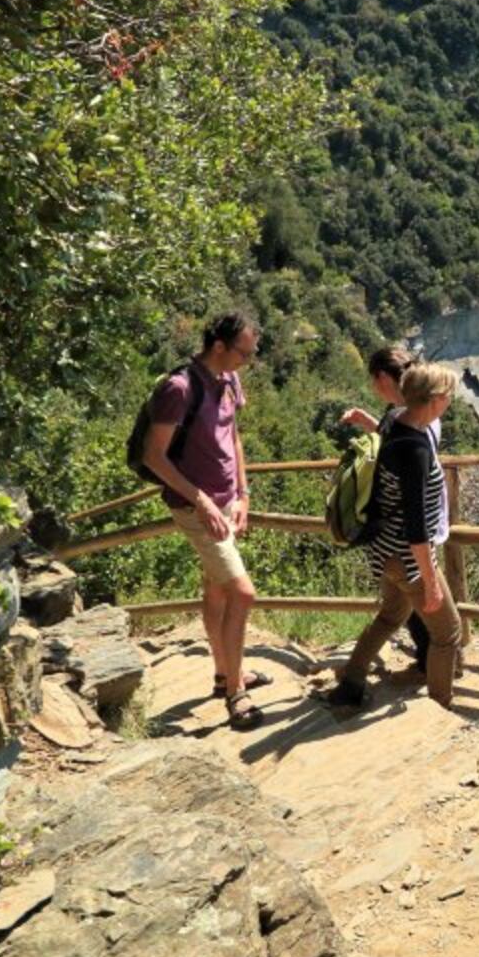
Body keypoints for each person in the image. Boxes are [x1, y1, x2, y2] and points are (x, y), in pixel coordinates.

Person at [141, 312, 268, 730]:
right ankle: (236, 693)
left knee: (216, 589)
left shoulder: (229, 380)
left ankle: (223, 674)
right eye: (243, 352)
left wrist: (243, 495)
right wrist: (201, 502)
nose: (248, 360)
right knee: (243, 593)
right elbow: (153, 456)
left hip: (226, 503)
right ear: (218, 347)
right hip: (195, 507)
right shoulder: (179, 389)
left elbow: (233, 436)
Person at [332, 362, 466, 709]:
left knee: (391, 616)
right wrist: (430, 580)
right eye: (448, 394)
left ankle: (351, 681)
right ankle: (440, 707)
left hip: (384, 550)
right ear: (435, 400)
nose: (451, 400)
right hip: (409, 558)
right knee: (447, 633)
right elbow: (417, 526)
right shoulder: (417, 451)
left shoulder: (395, 422)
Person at [341, 345, 450, 670]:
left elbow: (398, 458)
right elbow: (413, 501)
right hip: (409, 543)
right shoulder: (410, 424)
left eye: (375, 380)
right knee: (444, 627)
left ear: (386, 377)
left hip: (392, 540)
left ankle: (352, 681)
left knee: (397, 613)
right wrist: (429, 574)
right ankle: (435, 682)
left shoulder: (402, 419)